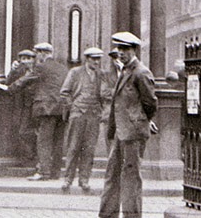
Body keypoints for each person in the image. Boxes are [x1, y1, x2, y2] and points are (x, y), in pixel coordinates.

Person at [99, 31, 158, 218]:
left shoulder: (141, 73)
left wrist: (143, 121)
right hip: (121, 131)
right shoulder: (125, 71)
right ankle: (108, 214)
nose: (120, 53)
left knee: (131, 177)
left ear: (134, 50)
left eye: (124, 49)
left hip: (132, 133)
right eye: (119, 48)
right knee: (112, 174)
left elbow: (150, 103)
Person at [0, 41, 66, 180]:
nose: (36, 58)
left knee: (44, 141)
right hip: (61, 109)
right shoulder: (62, 68)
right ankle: (55, 172)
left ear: (42, 53)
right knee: (57, 142)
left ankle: (43, 172)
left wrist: (10, 88)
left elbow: (25, 80)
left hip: (45, 108)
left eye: (36, 54)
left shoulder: (41, 67)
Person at [60, 46, 105, 193]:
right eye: (94, 59)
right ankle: (68, 179)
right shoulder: (75, 72)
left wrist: (101, 110)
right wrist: (73, 107)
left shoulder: (101, 75)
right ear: (87, 59)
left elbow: (104, 95)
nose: (97, 62)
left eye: (98, 59)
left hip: (94, 114)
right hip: (78, 113)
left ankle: (84, 179)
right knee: (73, 147)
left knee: (89, 148)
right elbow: (64, 92)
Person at [5, 50, 37, 166]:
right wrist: (13, 71)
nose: (26, 61)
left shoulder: (37, 70)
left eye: (28, 59)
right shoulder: (19, 71)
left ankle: (31, 157)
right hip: (21, 106)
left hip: (34, 105)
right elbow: (8, 82)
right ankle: (27, 158)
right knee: (20, 130)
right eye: (23, 59)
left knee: (26, 131)